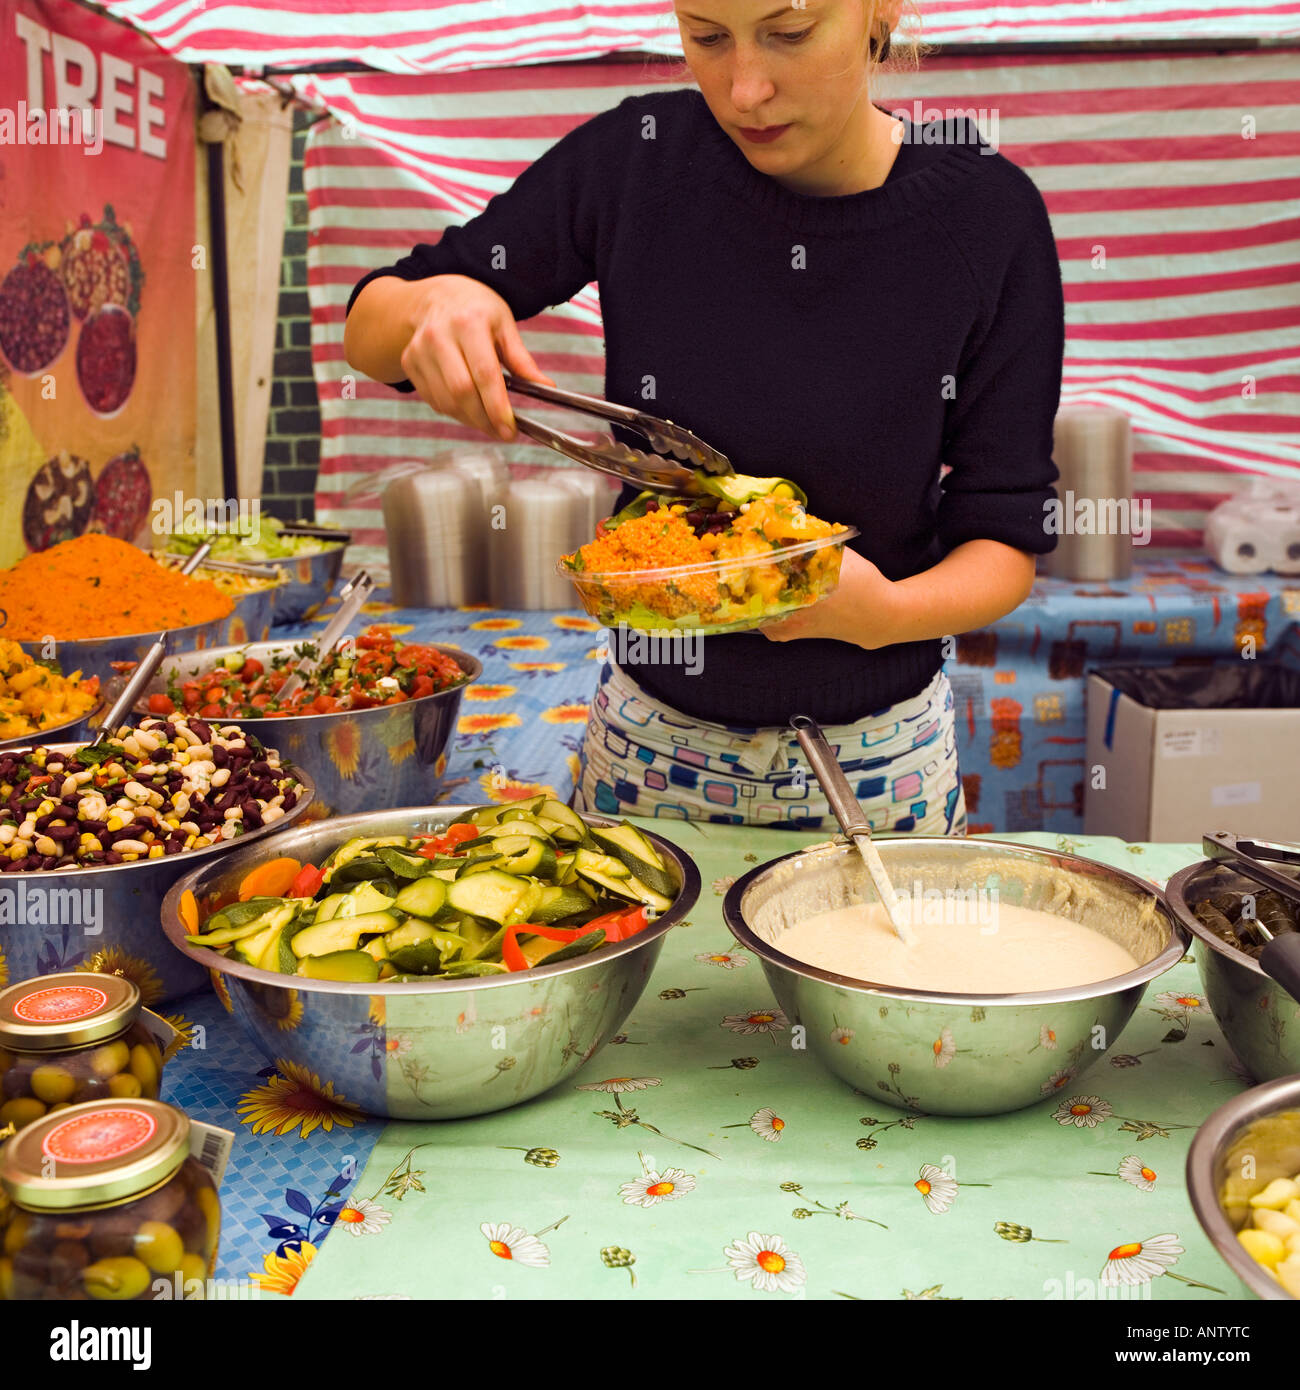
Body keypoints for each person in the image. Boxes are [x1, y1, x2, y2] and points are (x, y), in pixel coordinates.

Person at [344, 0, 1064, 832]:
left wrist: (887, 617)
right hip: (650, 748)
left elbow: (1004, 542)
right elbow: (372, 328)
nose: (744, 89)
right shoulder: (638, 160)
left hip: (878, 762)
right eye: (706, 36)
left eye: (789, 34)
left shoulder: (987, 215)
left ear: (880, 11)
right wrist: (444, 302)